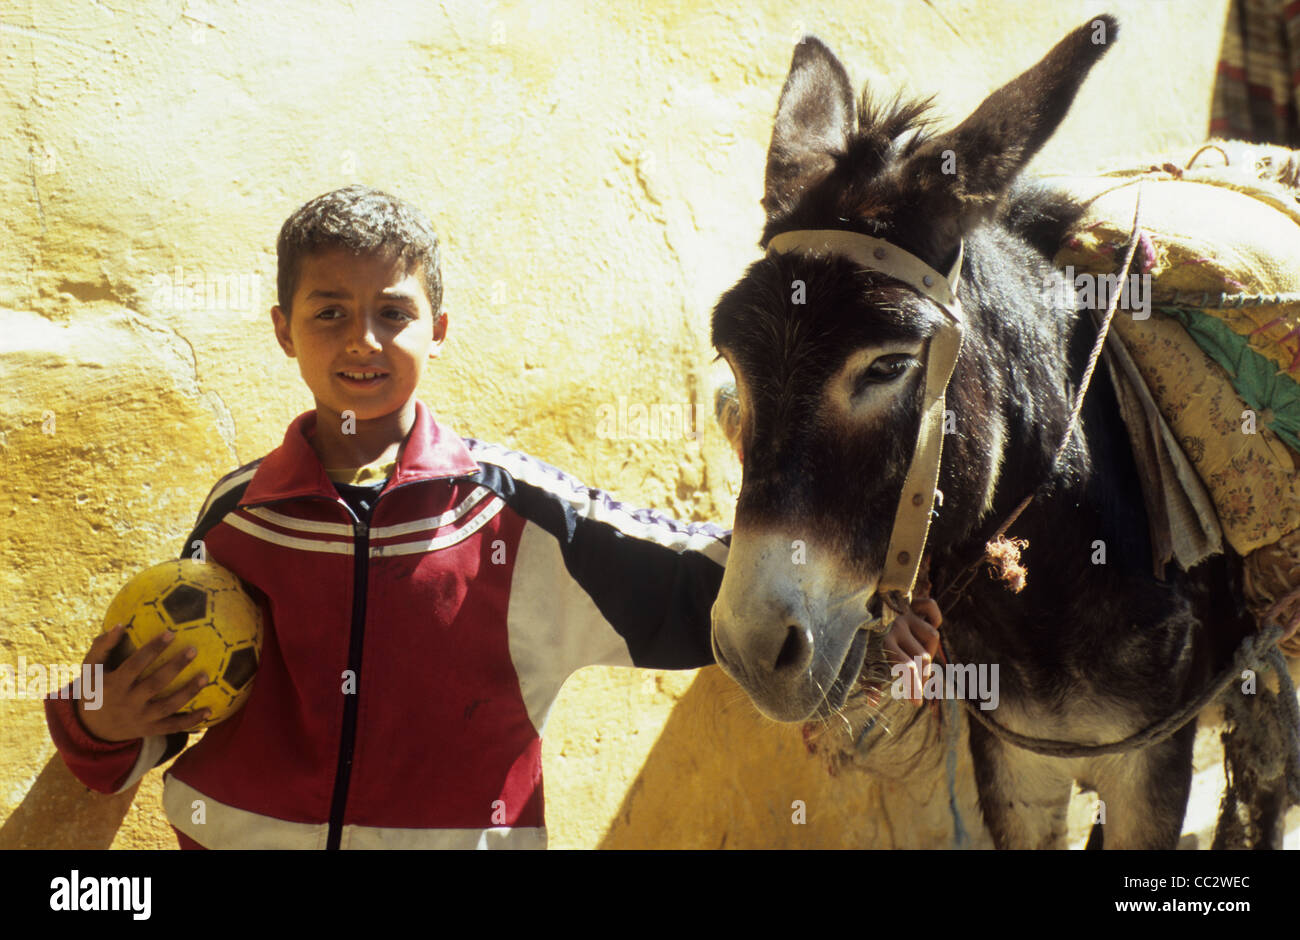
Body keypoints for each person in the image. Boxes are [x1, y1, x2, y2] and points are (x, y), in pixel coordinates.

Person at [44, 185, 729, 849]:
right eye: (330, 312)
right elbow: (155, 720)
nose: (363, 341)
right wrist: (102, 720)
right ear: (283, 330)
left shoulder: (515, 515)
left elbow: (710, 589)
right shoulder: (241, 517)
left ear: (439, 331)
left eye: (394, 313)